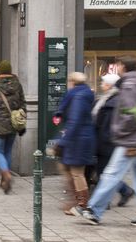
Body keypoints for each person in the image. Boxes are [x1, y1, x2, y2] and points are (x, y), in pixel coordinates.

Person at [79, 57, 136, 229]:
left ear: (123, 67)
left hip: (129, 139)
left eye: (118, 65)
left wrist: (122, 133)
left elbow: (131, 112)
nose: (117, 68)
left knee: (111, 175)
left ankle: (94, 211)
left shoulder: (130, 85)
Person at [91, 73, 135, 208]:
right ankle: (124, 192)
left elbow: (108, 125)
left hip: (107, 143)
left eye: (104, 83)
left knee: (104, 173)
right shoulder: (106, 98)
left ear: (110, 85)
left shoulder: (113, 101)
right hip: (105, 141)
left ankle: (104, 202)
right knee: (106, 173)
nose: (101, 85)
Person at [55, 72, 95, 215]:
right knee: (68, 169)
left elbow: (75, 120)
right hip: (79, 138)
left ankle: (82, 204)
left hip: (78, 139)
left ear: (72, 82)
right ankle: (76, 200)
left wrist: (63, 142)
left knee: (77, 172)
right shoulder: (82, 94)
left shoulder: (78, 96)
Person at [0, 60, 26, 194]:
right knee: (8, 150)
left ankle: (6, 174)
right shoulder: (17, 83)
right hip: (14, 123)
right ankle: (4, 179)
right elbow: (23, 103)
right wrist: (22, 121)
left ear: (0, 71)